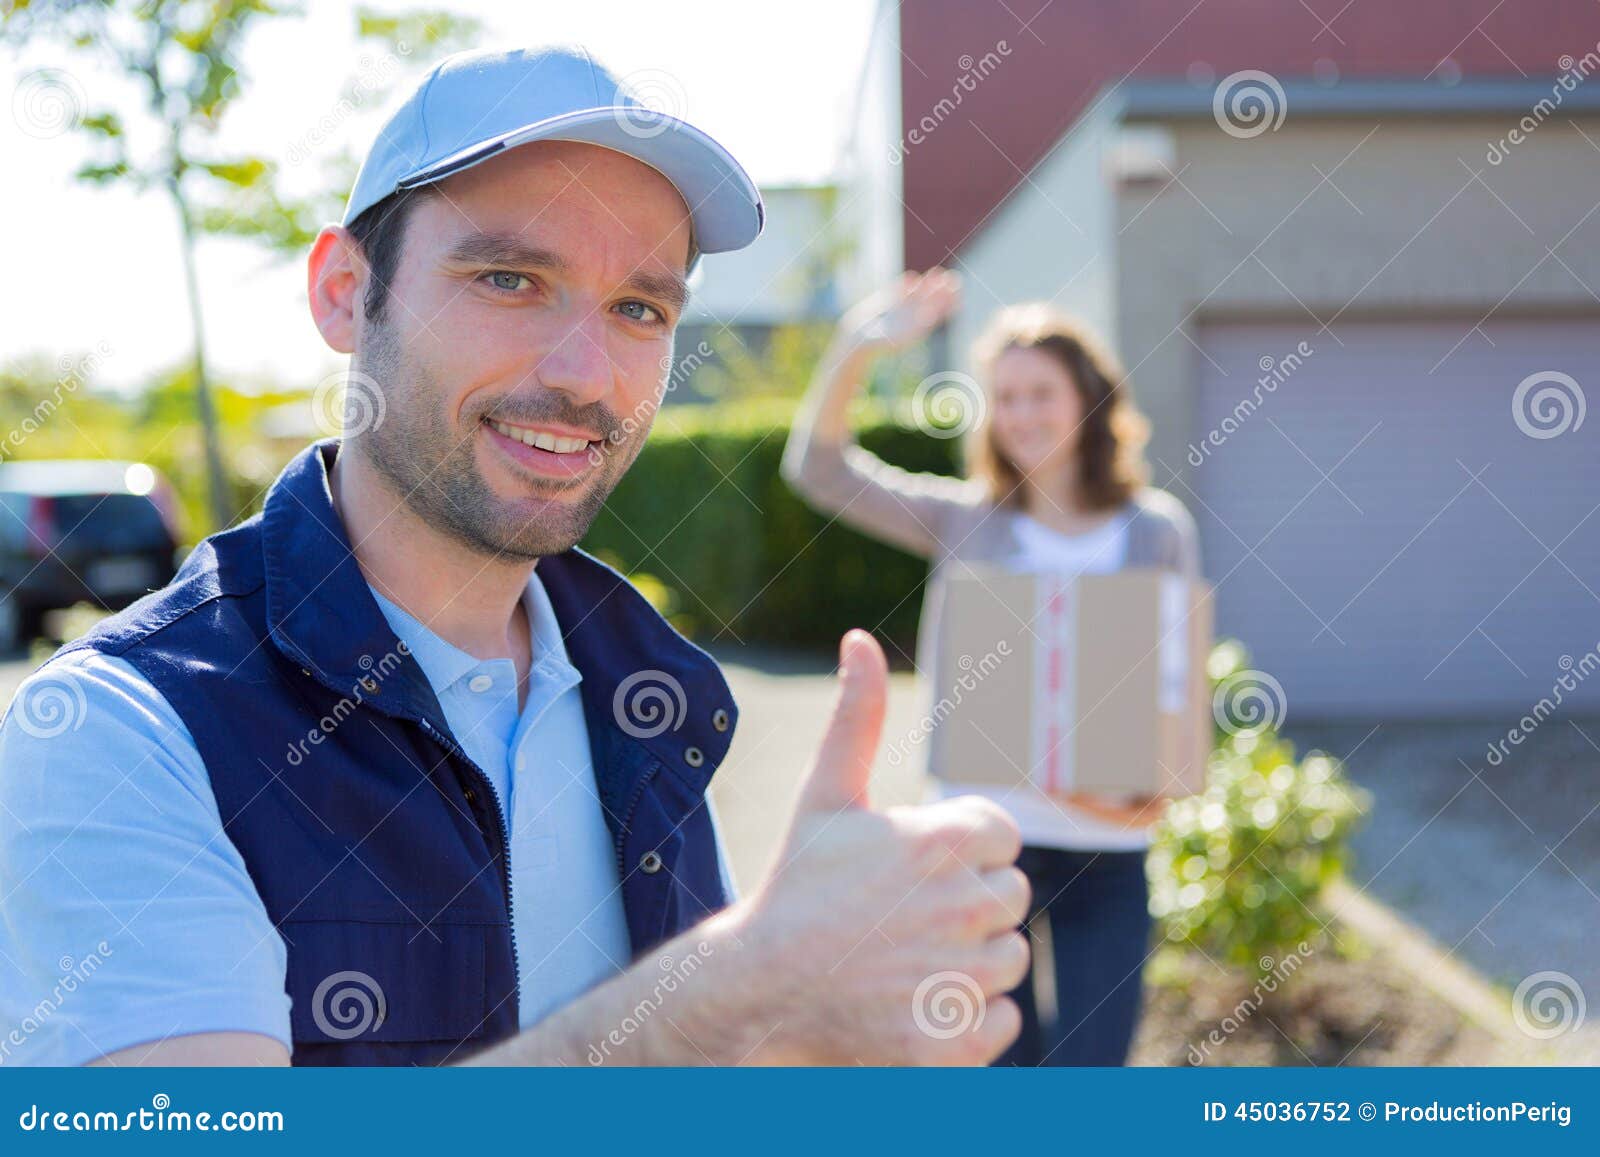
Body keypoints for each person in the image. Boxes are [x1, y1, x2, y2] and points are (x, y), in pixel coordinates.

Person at [0, 46, 1031, 1067]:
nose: (585, 374)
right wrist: (730, 1003)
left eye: (639, 308)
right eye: (509, 278)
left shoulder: (646, 693)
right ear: (344, 292)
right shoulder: (122, 730)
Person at [782, 269, 1203, 1066]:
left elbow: (1177, 683)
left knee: (1092, 1074)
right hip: (981, 847)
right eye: (1004, 397)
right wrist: (857, 346)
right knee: (999, 1071)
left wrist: (1154, 785)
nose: (1021, 414)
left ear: (1089, 399)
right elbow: (819, 471)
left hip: (1108, 849)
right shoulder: (966, 520)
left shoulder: (1155, 530)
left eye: (1040, 393)